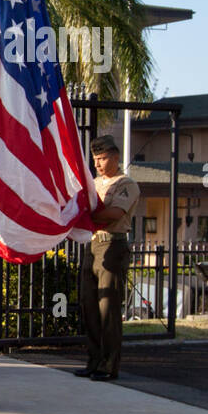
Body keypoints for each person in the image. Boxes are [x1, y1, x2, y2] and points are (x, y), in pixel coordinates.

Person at [74, 134, 140, 381]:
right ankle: (94, 361)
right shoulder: (94, 183)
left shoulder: (126, 184)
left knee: (107, 308)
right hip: (92, 245)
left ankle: (109, 365)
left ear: (115, 157)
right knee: (89, 305)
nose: (99, 164)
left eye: (102, 158)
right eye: (95, 159)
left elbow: (113, 213)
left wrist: (86, 214)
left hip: (112, 245)